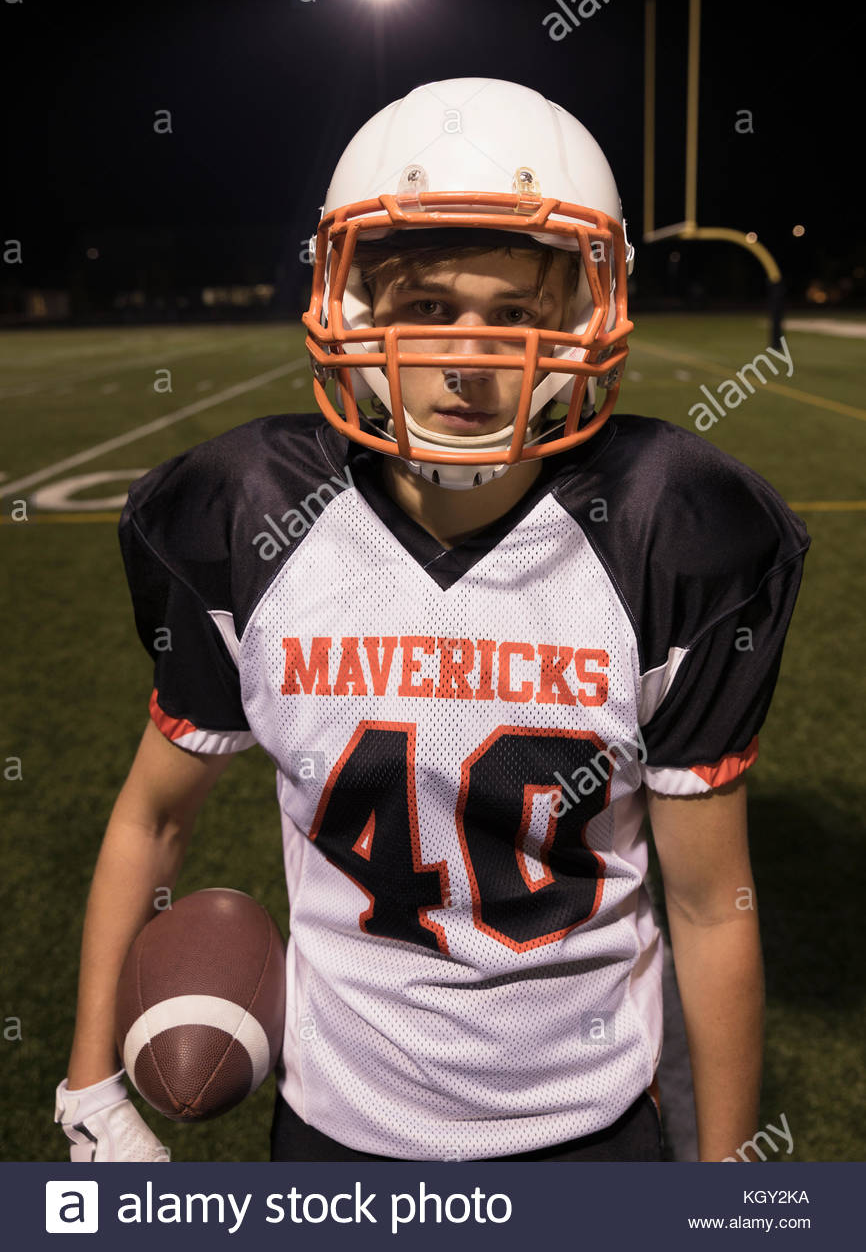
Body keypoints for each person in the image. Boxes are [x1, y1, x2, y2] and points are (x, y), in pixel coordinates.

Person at [55, 77, 809, 1163]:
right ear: (354, 309)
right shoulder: (252, 516)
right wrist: (90, 1085)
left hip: (587, 1124)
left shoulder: (667, 526)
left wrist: (727, 1181)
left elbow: (707, 905)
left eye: (512, 314)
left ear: (584, 319)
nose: (467, 353)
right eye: (428, 308)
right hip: (335, 1121)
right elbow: (151, 822)